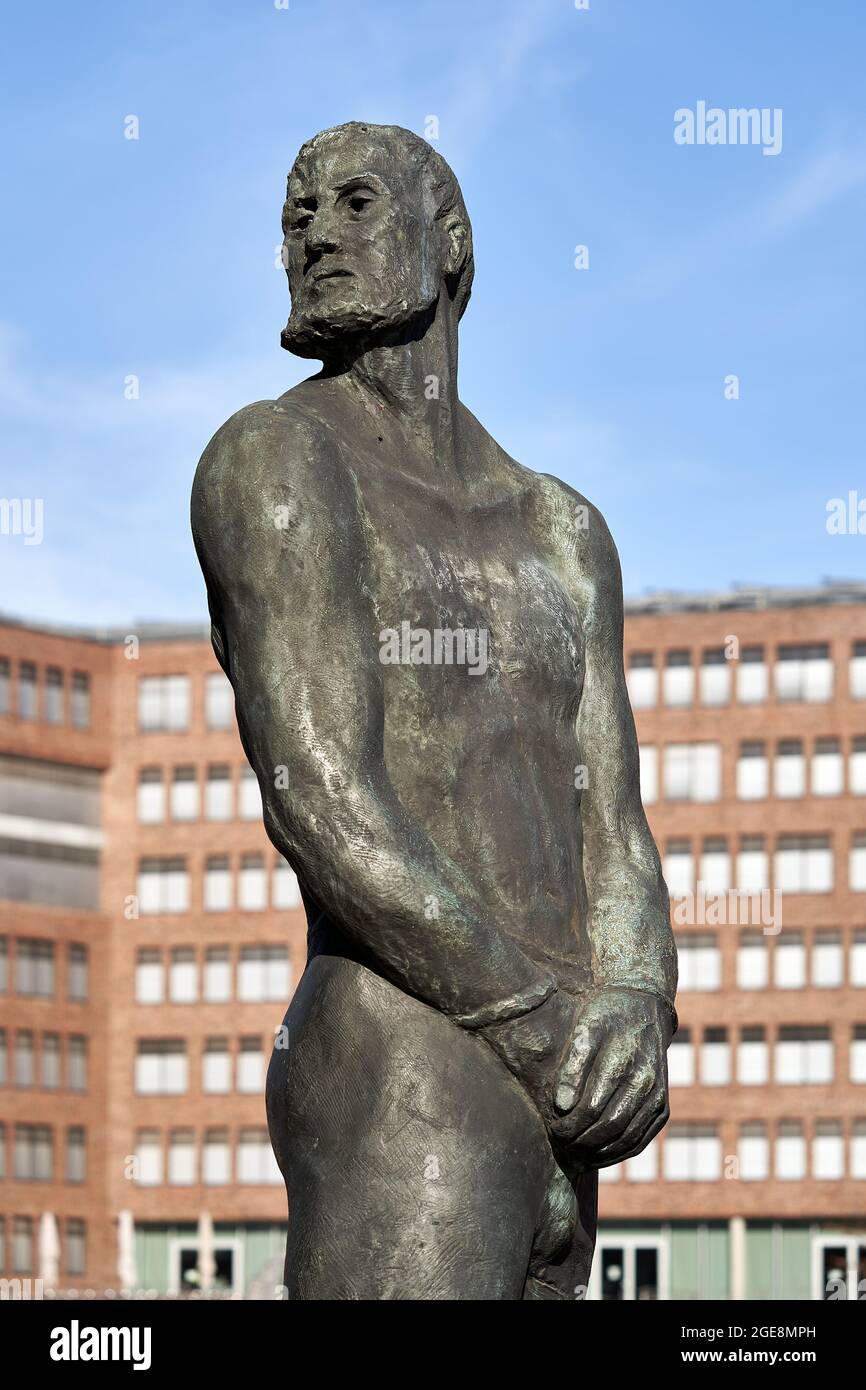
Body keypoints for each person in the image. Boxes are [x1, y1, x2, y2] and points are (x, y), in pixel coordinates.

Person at [191, 122, 677, 1300]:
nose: (315, 232)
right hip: (401, 1055)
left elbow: (612, 813)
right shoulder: (277, 460)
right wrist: (534, 1021)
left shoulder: (563, 529)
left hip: (561, 1080)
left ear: (448, 243)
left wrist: (637, 1001)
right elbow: (319, 798)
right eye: (296, 215)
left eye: (354, 202)